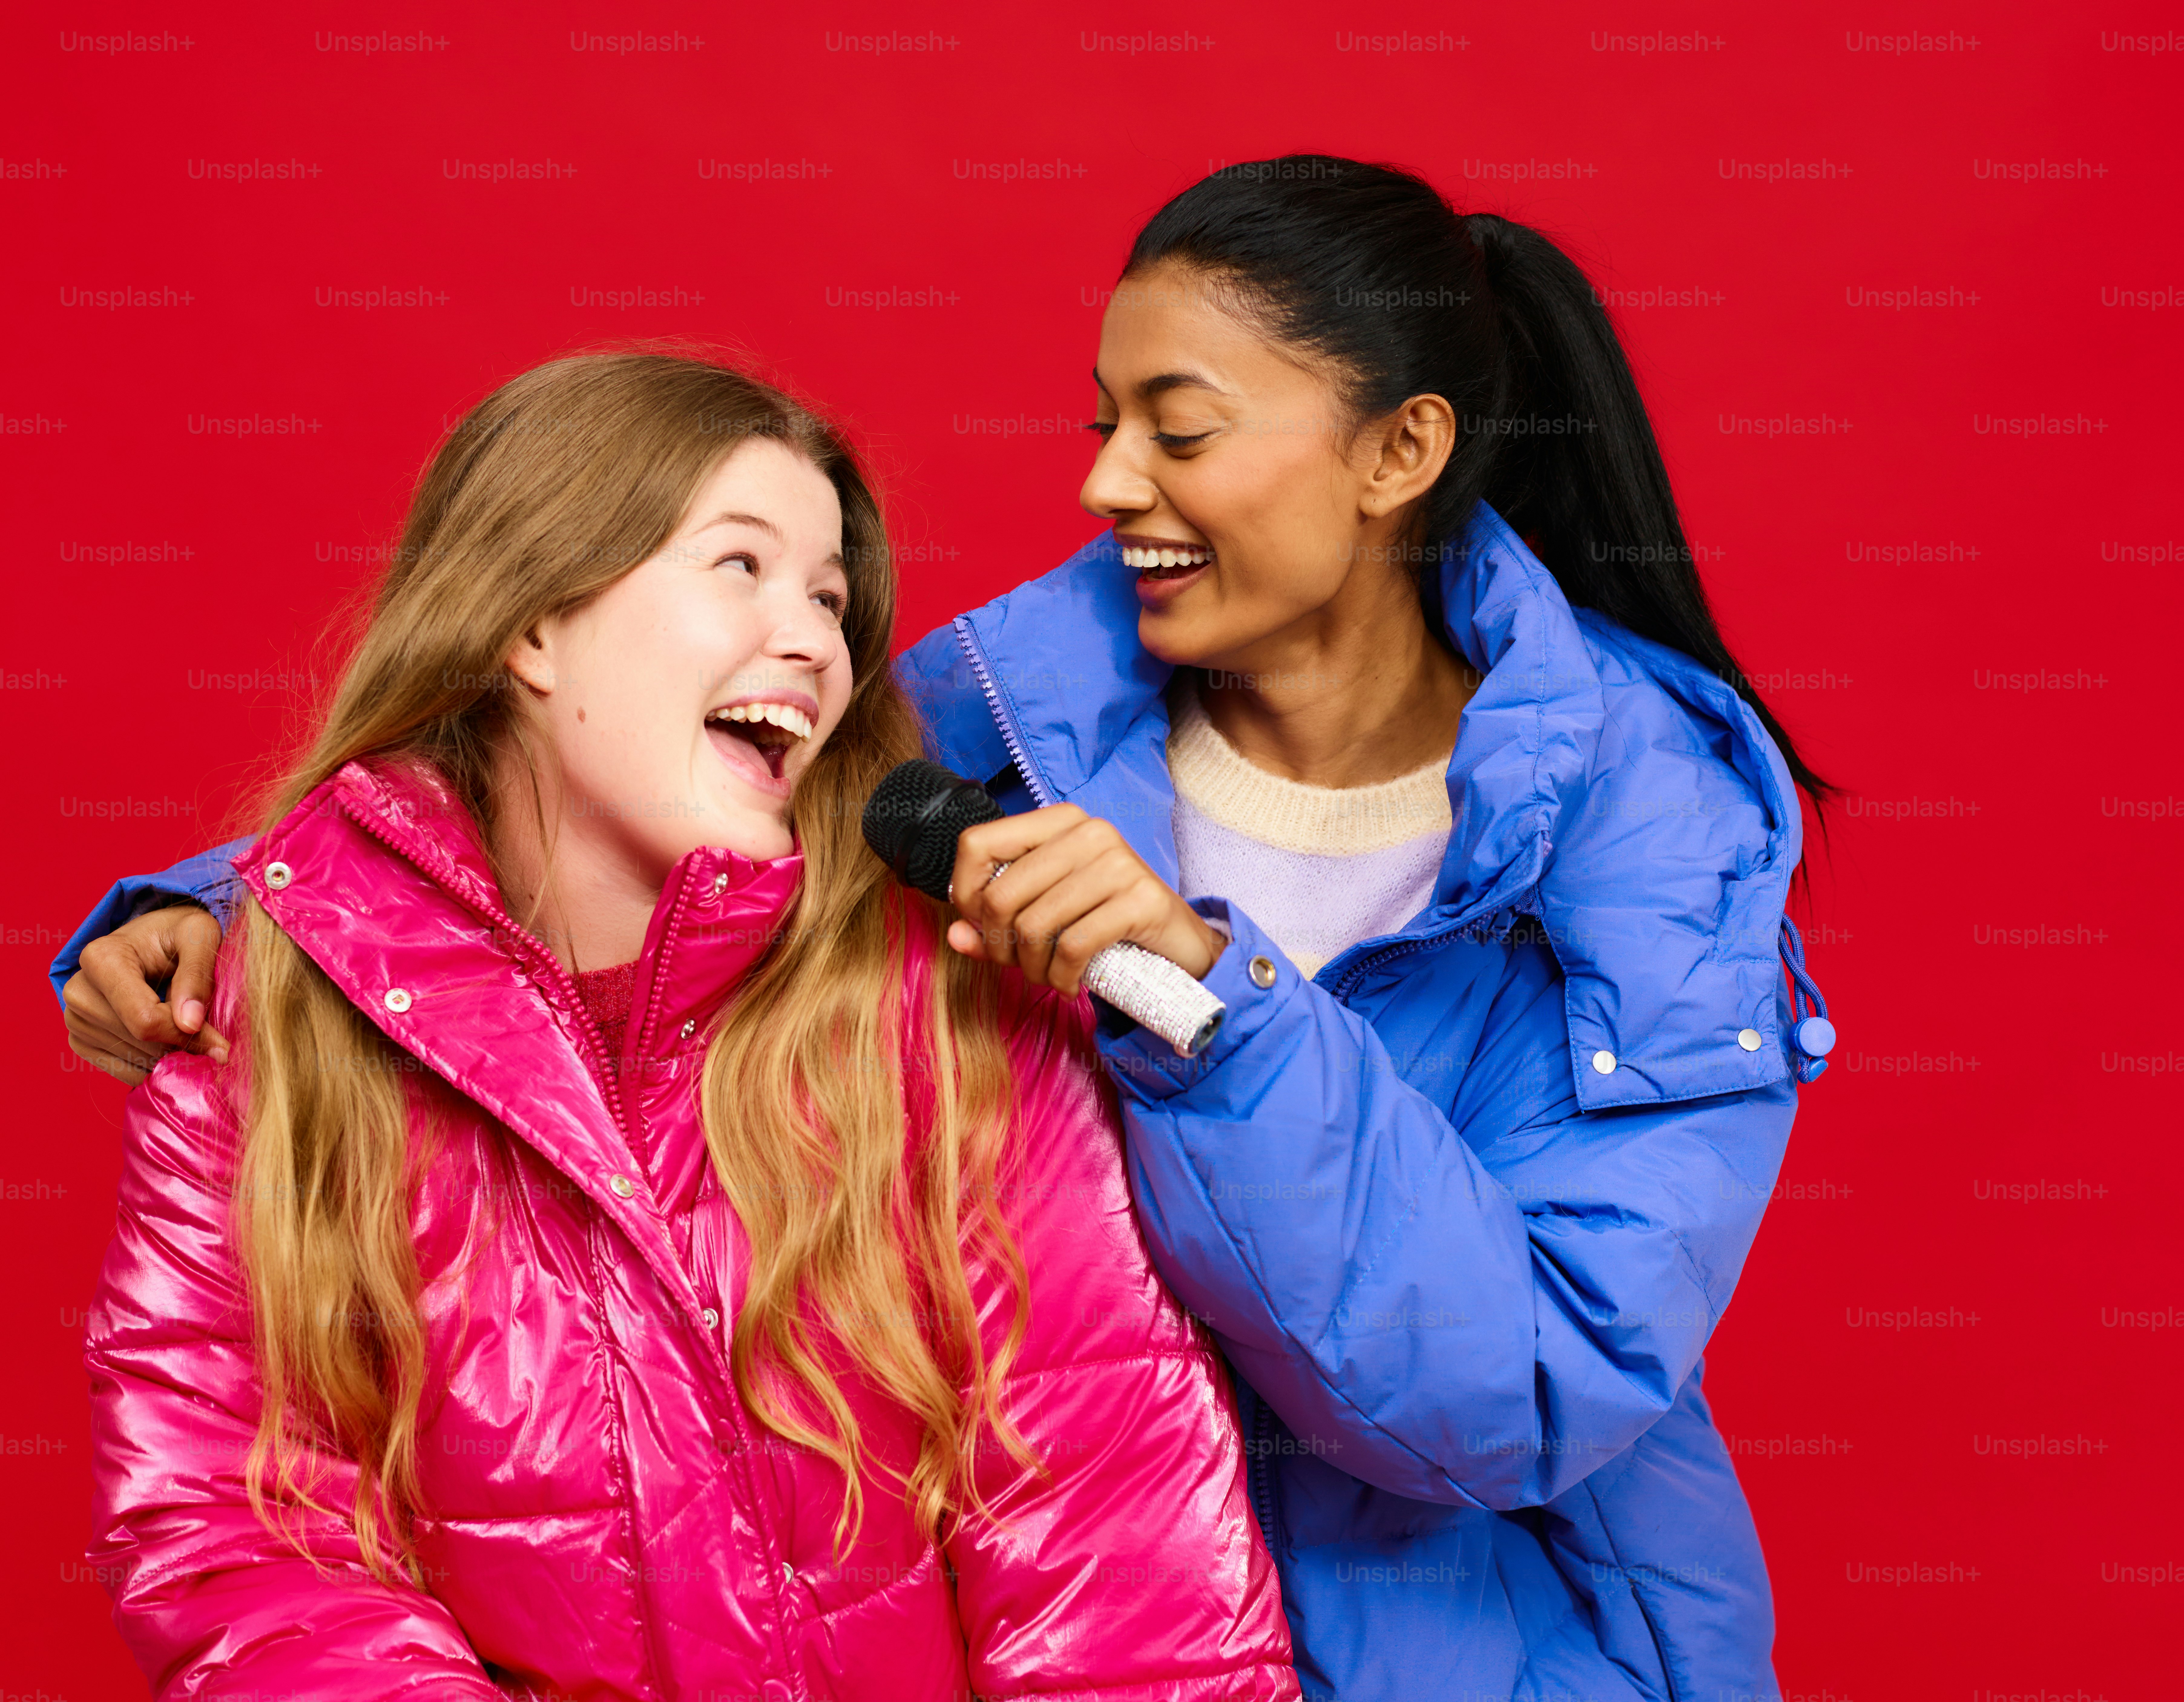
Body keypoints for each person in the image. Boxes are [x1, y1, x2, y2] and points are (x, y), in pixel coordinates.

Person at [60, 159, 1838, 1700]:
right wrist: (231, 915)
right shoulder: (1013, 713)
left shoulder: (1656, 839)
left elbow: (1512, 1390)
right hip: (1075, 1616)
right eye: (1103, 424)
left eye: (1180, 431)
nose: (1107, 485)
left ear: (1400, 450)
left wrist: (1212, 1007)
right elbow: (616, 787)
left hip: (1472, 1641)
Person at [73, 351, 1294, 1699]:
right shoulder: (259, 1040)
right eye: (742, 566)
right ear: (532, 627)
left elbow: (1118, 1545)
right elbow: (233, 1531)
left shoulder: (949, 1013)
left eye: (829, 598)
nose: (812, 640)